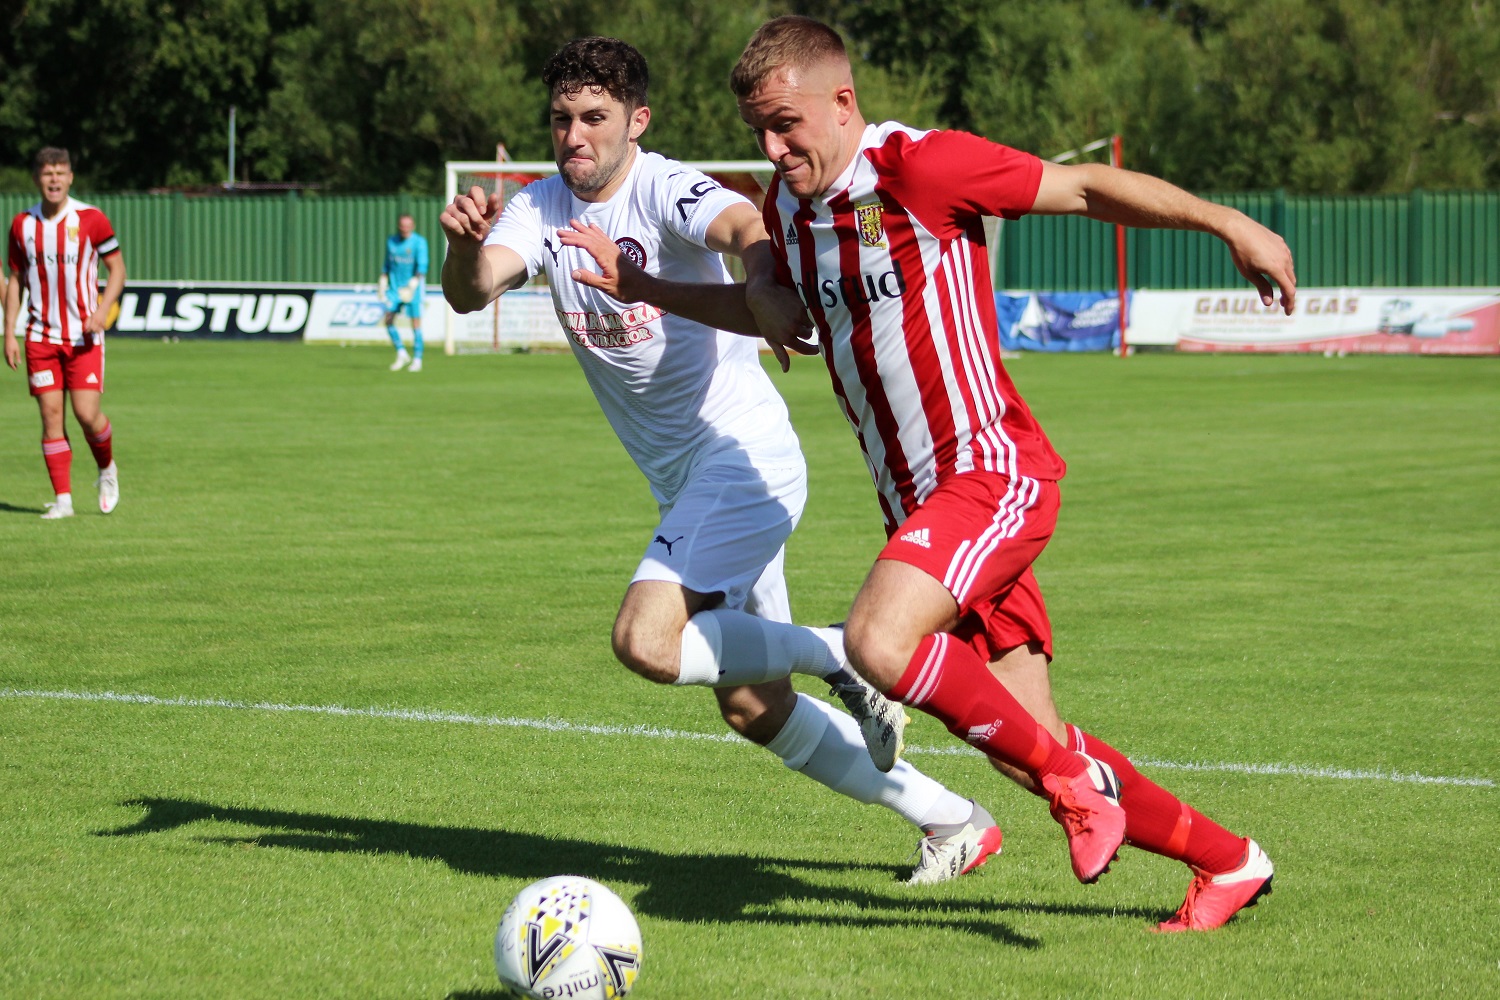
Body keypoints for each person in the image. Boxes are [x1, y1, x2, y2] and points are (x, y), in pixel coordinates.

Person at [561, 16, 1295, 931]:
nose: (772, 147)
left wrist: (1230, 223)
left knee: (879, 642)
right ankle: (1230, 861)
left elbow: (1085, 185)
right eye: (758, 129)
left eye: (787, 124)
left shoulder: (918, 167)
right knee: (1025, 745)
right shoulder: (789, 213)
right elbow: (776, 313)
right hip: (921, 507)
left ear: (843, 101)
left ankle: (1075, 788)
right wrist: (644, 289)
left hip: (990, 472)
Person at [441, 36, 1005, 883]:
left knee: (646, 639)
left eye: (594, 118)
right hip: (684, 484)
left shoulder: (663, 184)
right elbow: (473, 287)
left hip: (741, 458)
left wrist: (767, 283)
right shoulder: (538, 209)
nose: (574, 137)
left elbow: (745, 222)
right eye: (561, 120)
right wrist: (462, 244)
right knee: (749, 703)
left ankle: (844, 652)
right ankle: (952, 820)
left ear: (637, 121)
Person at [4, 147, 126, 519]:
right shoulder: (22, 225)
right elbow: (15, 281)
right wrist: (8, 332)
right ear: (36, 179)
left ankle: (107, 469)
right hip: (40, 336)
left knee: (87, 415)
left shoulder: (91, 218)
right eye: (46, 173)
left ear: (71, 177)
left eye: (60, 172)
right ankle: (63, 501)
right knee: (50, 415)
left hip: (84, 339)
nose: (53, 179)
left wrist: (103, 312)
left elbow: (117, 269)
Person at [381, 213, 429, 371]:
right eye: (402, 226)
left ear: (413, 226)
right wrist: (382, 281)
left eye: (408, 226)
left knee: (415, 323)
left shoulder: (419, 242)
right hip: (395, 289)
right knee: (388, 320)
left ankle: (418, 359)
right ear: (399, 226)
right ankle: (401, 352)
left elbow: (422, 266)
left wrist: (415, 282)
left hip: (412, 289)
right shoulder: (391, 242)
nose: (405, 229)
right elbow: (387, 264)